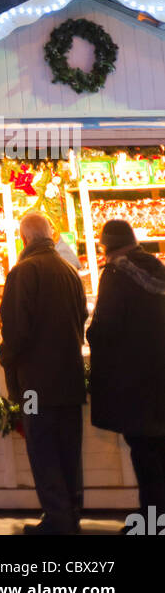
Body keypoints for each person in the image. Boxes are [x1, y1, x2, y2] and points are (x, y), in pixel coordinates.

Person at [0, 210, 87, 536]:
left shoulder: (23, 272)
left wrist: (7, 357)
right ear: (49, 236)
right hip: (70, 378)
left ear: (25, 238)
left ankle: (57, 520)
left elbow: (17, 332)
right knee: (69, 450)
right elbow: (82, 319)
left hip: (35, 385)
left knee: (43, 448)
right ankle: (72, 513)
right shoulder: (69, 271)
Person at [87, 219, 165, 530]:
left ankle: (151, 522)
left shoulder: (116, 274)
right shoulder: (156, 266)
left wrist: (91, 334)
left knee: (145, 457)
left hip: (134, 382)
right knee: (160, 453)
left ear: (106, 247)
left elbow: (104, 328)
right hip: (161, 376)